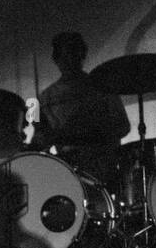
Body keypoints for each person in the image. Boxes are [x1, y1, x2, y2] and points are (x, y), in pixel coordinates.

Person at [35, 32, 130, 180]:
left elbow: (123, 126)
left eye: (74, 53)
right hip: (67, 170)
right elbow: (40, 137)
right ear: (56, 58)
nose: (70, 59)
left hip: (103, 167)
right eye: (65, 55)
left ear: (82, 55)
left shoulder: (103, 87)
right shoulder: (43, 98)